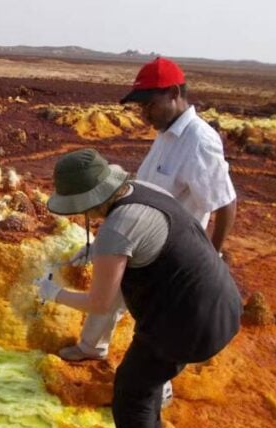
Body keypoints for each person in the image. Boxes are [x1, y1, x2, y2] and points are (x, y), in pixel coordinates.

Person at [37, 148, 241, 428]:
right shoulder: (145, 191)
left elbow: (101, 303)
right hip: (216, 300)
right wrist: (98, 253)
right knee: (145, 378)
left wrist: (54, 293)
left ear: (89, 200)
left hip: (192, 319)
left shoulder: (117, 229)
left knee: (134, 386)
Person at [60, 57, 238, 375]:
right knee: (113, 290)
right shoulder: (165, 132)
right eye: (141, 106)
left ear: (173, 94)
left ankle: (156, 392)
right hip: (140, 236)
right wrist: (102, 246)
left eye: (150, 104)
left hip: (167, 253)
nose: (144, 114)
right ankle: (92, 347)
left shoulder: (199, 141)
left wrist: (213, 255)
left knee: (155, 323)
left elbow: (225, 202)